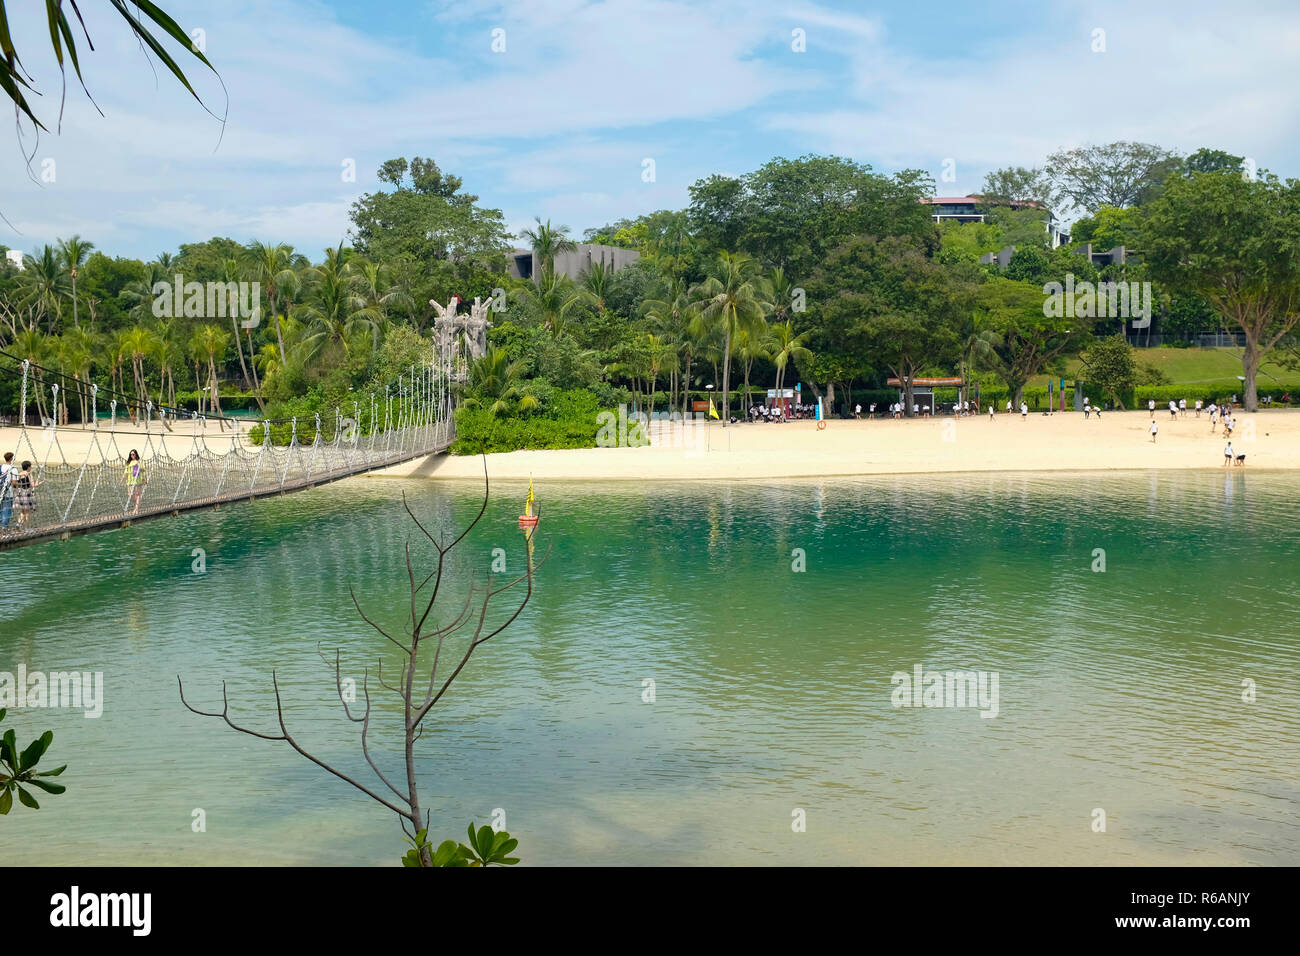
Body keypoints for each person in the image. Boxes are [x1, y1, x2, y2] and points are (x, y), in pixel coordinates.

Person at [12, 460, 42, 528]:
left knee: (23, 510)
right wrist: (41, 483)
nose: (31, 467)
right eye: (30, 466)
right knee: (28, 512)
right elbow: (33, 485)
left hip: (21, 494)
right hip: (27, 494)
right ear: (28, 467)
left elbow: (17, 484)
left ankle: (18, 524)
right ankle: (27, 528)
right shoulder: (29, 474)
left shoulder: (20, 474)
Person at [124, 449, 146, 515]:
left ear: (136, 454)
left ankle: (136, 509)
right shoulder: (128, 462)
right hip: (130, 481)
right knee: (130, 495)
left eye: (133, 454)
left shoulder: (139, 461)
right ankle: (138, 503)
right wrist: (123, 478)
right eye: (131, 454)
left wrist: (138, 466)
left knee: (138, 494)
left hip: (137, 480)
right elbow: (126, 471)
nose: (132, 455)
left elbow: (143, 470)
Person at [0, 452, 15, 530]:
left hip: (0, 492)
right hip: (8, 493)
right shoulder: (13, 469)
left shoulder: (0, 467)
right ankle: (4, 530)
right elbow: (14, 483)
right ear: (11, 459)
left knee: (1, 510)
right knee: (6, 511)